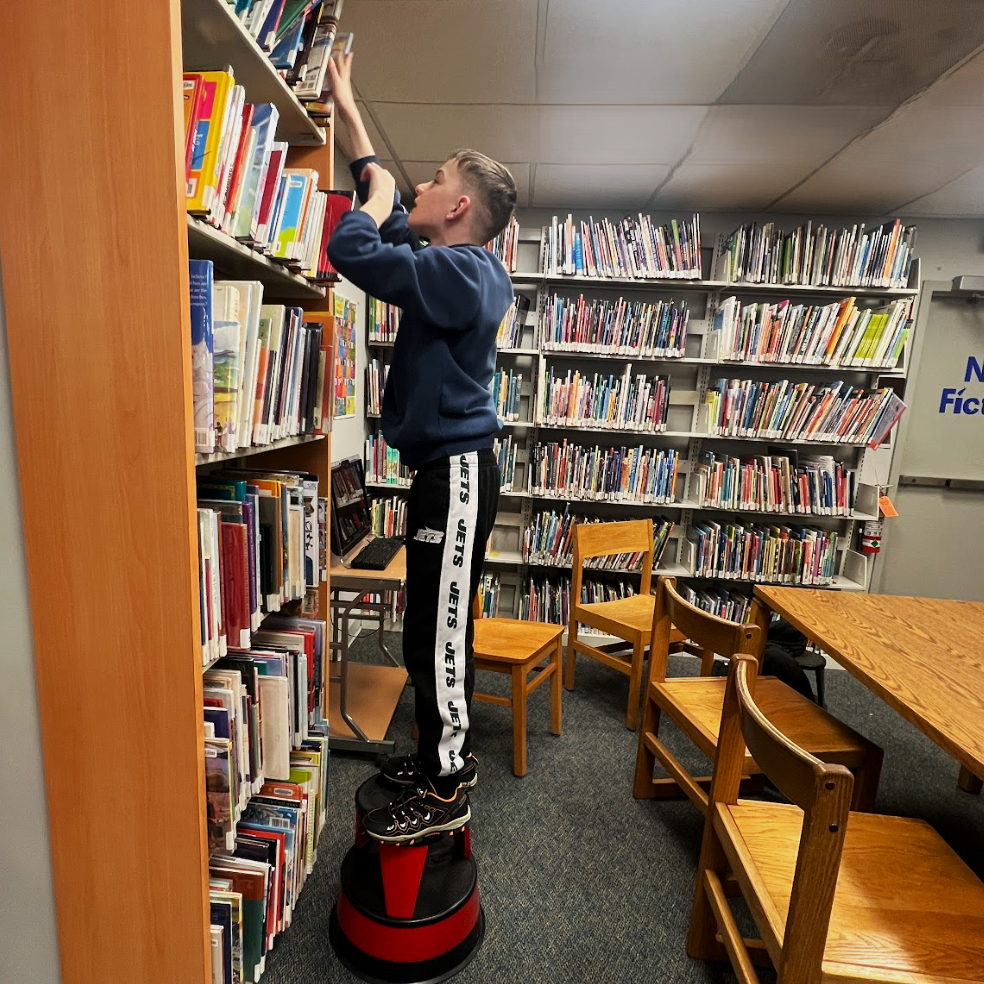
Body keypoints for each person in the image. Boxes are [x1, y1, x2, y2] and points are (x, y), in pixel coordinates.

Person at [326, 52, 517, 843]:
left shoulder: (460, 273)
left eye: (432, 180)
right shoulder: (460, 268)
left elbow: (355, 249)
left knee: (439, 630)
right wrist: (346, 105)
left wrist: (368, 200)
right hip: (448, 471)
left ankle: (448, 786)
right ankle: (436, 755)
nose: (416, 189)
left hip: (460, 473)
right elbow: (381, 189)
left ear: (459, 206)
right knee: (425, 626)